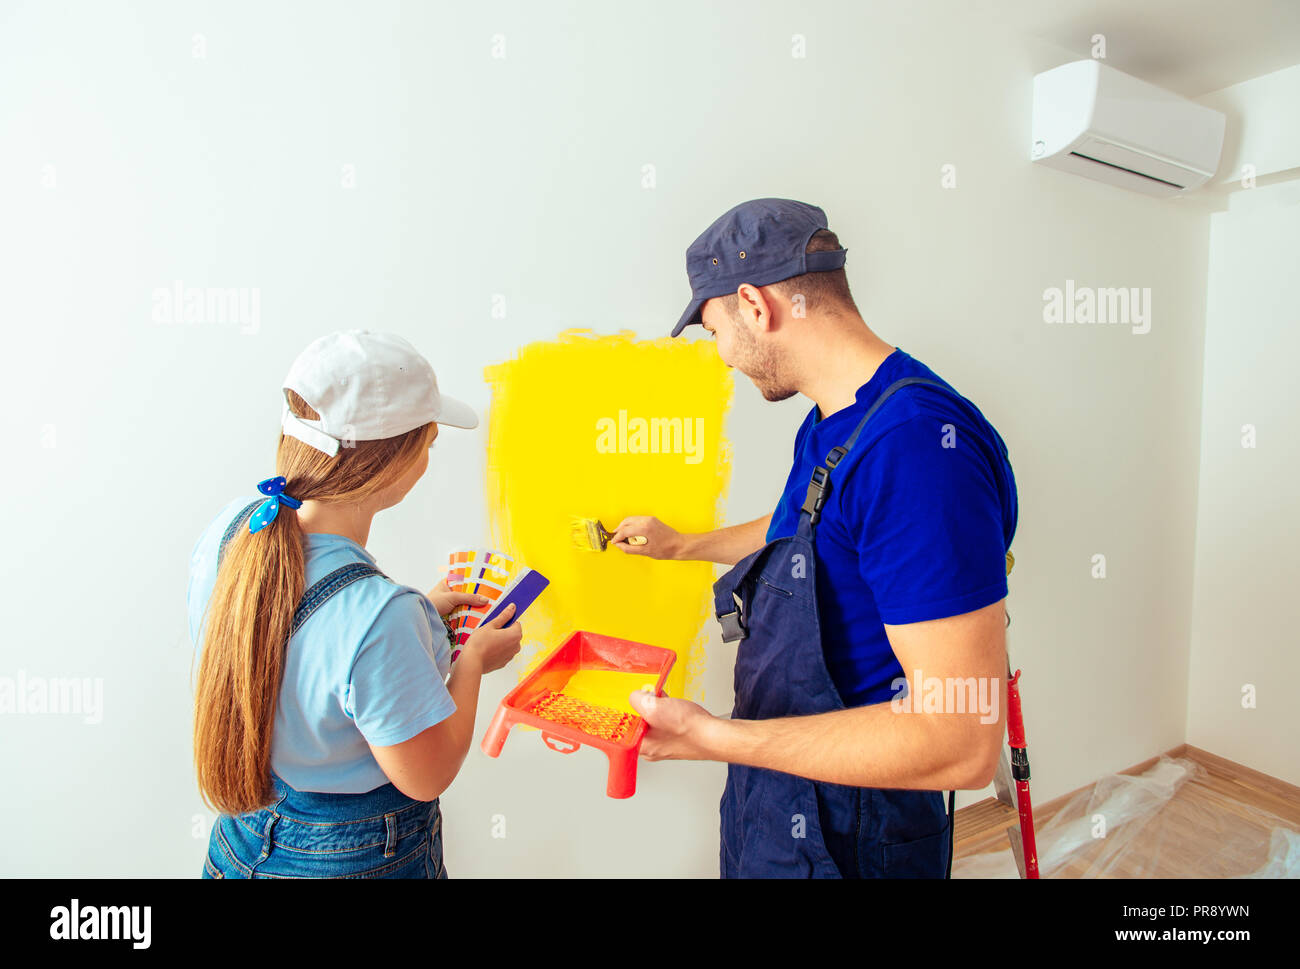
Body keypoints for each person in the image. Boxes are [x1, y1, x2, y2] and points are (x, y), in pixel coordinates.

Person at [617, 199, 1019, 878]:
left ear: (754, 304)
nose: (722, 358)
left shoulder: (916, 448)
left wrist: (712, 737)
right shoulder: (834, 417)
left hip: (855, 826)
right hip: (775, 784)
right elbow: (804, 534)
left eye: (715, 331)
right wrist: (680, 544)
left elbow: (960, 743)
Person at [189, 330, 523, 878]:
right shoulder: (379, 617)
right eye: (429, 443)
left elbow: (302, 649)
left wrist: (414, 617)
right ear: (394, 466)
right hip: (352, 856)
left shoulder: (234, 531)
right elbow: (428, 773)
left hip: (241, 839)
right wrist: (472, 663)